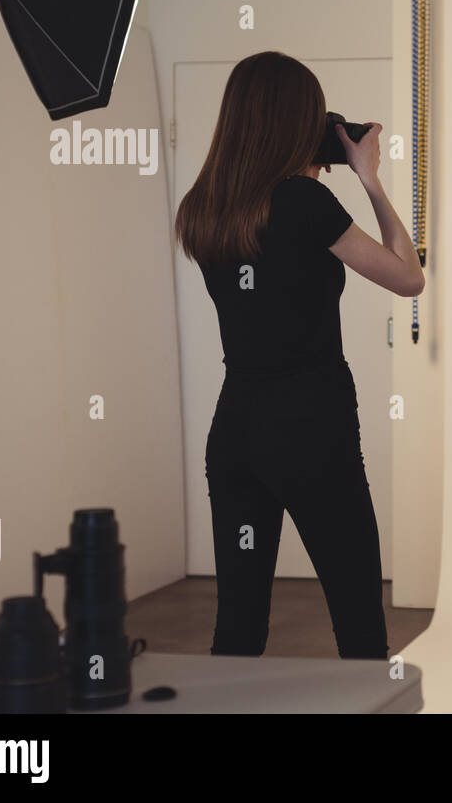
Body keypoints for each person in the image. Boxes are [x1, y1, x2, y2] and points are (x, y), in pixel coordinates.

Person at [174, 51, 423, 659]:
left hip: (237, 431)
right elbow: (407, 276)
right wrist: (369, 177)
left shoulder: (204, 207)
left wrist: (311, 169)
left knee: (237, 624)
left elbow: (272, 261)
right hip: (313, 429)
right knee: (358, 617)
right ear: (297, 121)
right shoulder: (306, 205)